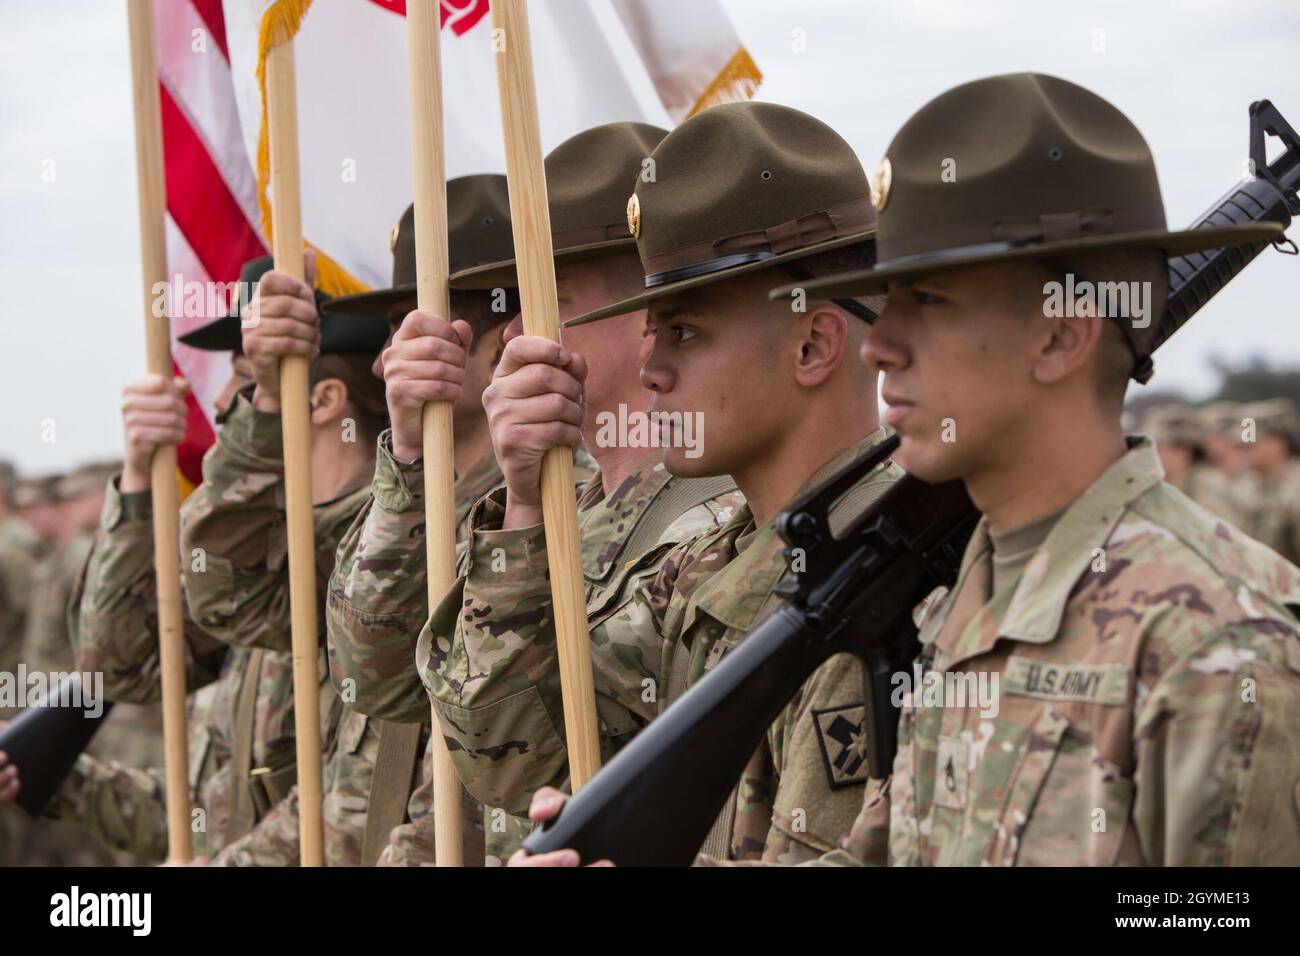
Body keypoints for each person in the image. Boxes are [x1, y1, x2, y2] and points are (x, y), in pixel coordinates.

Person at [757, 72, 1300, 865]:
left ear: (1059, 336)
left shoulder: (1217, 642)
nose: (879, 346)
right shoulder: (967, 598)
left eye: (928, 301)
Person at [425, 101, 896, 866]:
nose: (652, 371)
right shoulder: (709, 567)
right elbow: (514, 759)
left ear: (813, 344)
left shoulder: (893, 577)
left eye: (685, 332)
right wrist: (517, 502)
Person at [329, 122, 745, 864]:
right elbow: (377, 677)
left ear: (646, 312)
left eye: (552, 297)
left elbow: (517, 763)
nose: (516, 330)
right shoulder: (556, 504)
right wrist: (427, 464)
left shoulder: (718, 521)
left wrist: (520, 504)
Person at [1243, 398, 1300, 566]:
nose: (1245, 449)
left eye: (1252, 443)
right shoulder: (1259, 487)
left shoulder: (1294, 490)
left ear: (1277, 444)